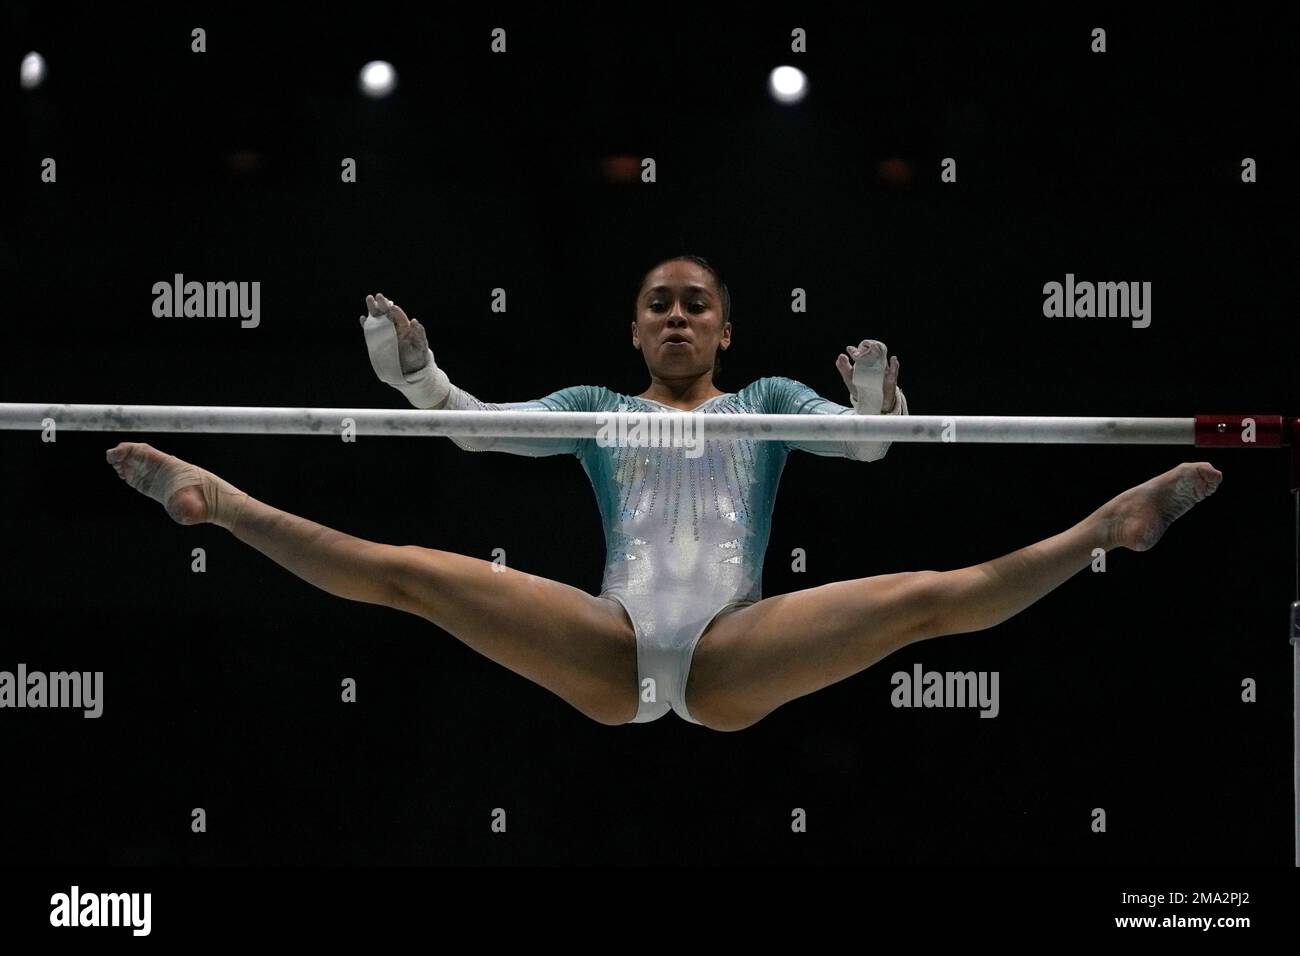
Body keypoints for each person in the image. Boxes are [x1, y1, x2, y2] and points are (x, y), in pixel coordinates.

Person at [105, 255, 1222, 731]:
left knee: (932, 595)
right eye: (659, 303)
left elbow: (876, 450)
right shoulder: (600, 404)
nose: (678, 316)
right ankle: (221, 497)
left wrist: (878, 399)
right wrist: (418, 378)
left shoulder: (771, 398)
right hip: (613, 642)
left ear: (726, 328)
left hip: (739, 646)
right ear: (634, 326)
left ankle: (1105, 527)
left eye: (696, 304)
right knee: (407, 576)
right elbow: (472, 434)